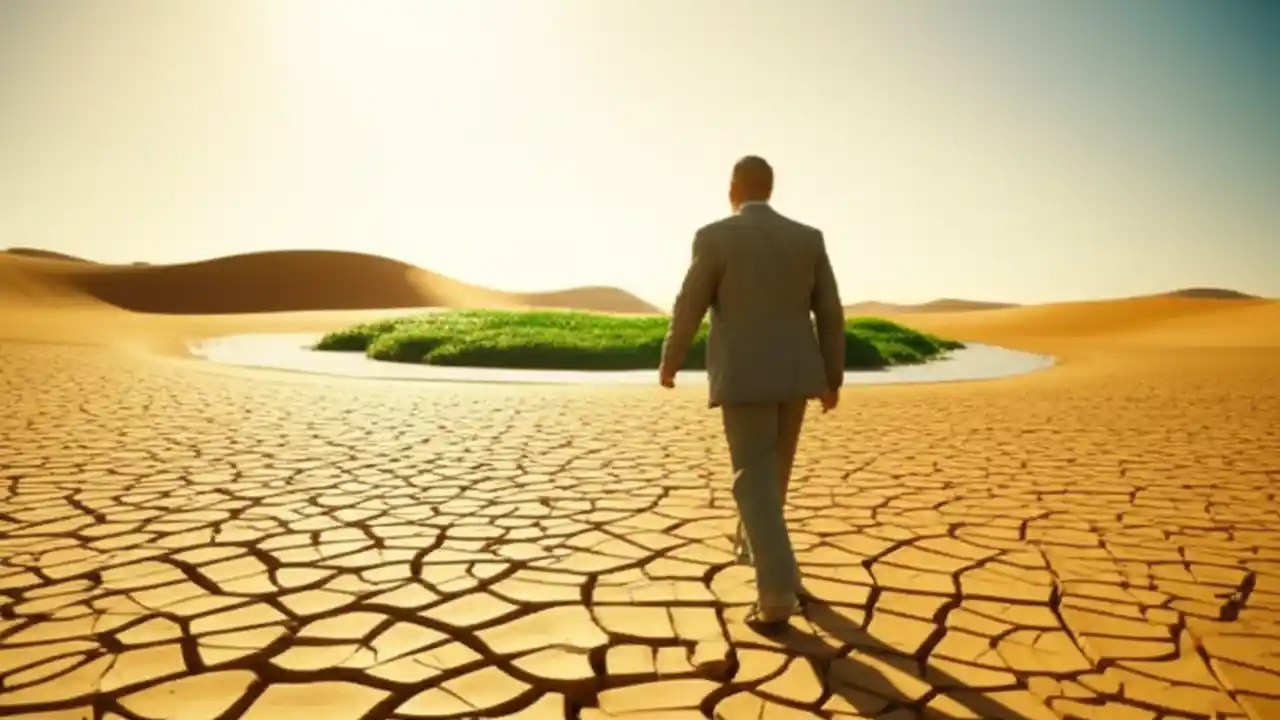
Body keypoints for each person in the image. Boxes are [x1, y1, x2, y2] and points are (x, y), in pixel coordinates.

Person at [659, 155, 845, 629]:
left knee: (753, 481)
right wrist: (832, 376)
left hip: (744, 376)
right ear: (771, 188)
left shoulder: (715, 236)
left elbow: (690, 304)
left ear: (734, 188)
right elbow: (830, 312)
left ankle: (777, 593)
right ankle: (782, 572)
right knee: (772, 480)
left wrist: (671, 360)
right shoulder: (808, 238)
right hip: (797, 377)